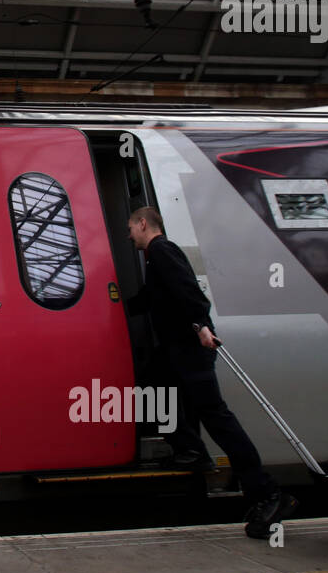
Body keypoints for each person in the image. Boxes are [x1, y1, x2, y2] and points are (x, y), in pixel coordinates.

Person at [125, 206, 297, 539]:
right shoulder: (156, 256)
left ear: (143, 224)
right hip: (175, 350)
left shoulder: (163, 250)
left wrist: (202, 326)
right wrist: (114, 305)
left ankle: (267, 493)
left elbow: (190, 291)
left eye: (130, 228)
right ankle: (190, 451)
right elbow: (150, 297)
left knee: (216, 416)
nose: (128, 234)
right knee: (149, 390)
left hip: (190, 348)